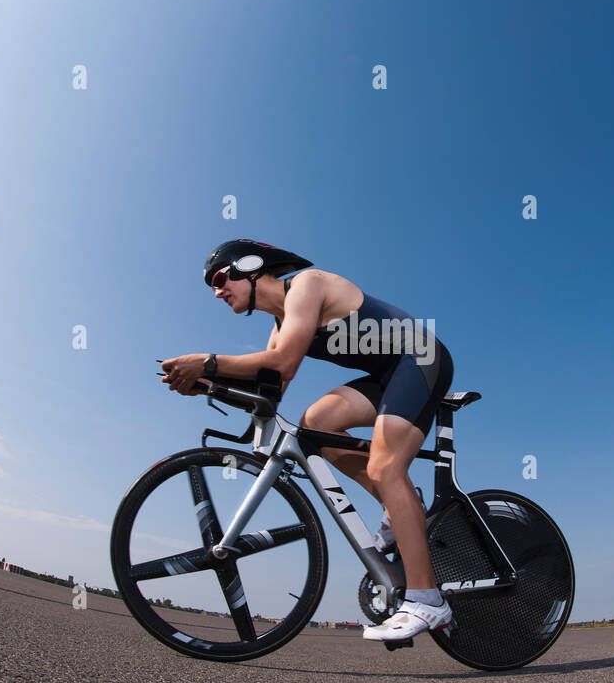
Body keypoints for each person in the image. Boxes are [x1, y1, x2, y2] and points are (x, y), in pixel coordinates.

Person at [158, 240, 456, 641]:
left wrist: (207, 362)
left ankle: (428, 600)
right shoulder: (278, 328)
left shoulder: (307, 286)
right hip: (385, 376)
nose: (217, 290)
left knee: (386, 466)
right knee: (317, 423)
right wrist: (208, 385)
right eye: (212, 286)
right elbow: (271, 388)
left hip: (419, 359)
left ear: (250, 267)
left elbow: (282, 363)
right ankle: (397, 504)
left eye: (220, 278)